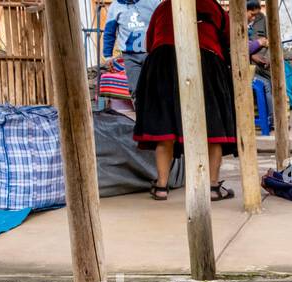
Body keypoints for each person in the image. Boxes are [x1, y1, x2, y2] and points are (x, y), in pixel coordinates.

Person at [131, 0, 238, 201]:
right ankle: (213, 187)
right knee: (212, 127)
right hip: (206, 59)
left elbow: (149, 42)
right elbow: (230, 39)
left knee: (166, 126)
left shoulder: (163, 7)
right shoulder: (212, 6)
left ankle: (161, 186)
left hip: (162, 62)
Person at [101, 0, 162, 97]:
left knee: (156, 88)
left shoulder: (153, 2)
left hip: (152, 53)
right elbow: (109, 32)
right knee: (135, 90)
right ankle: (140, 112)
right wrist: (108, 55)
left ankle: (157, 111)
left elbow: (164, 23)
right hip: (130, 56)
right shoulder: (115, 6)